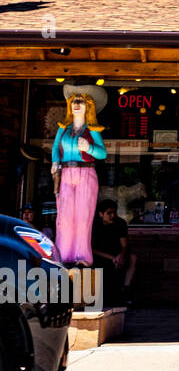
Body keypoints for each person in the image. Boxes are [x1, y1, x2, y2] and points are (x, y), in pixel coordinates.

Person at [51, 83, 109, 267]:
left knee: (83, 217)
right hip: (66, 172)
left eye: (81, 102)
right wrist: (55, 162)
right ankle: (63, 255)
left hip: (86, 172)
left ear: (88, 106)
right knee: (65, 217)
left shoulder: (93, 129)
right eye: (74, 101)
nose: (76, 104)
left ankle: (82, 257)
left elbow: (102, 153)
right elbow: (55, 148)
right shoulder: (63, 128)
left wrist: (89, 147)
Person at [91, 200, 137, 307]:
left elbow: (124, 245)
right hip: (100, 256)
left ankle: (126, 289)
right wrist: (112, 258)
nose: (113, 215)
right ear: (101, 214)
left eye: (114, 213)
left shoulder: (120, 223)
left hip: (117, 255)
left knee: (133, 258)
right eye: (109, 213)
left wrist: (120, 256)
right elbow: (91, 249)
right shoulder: (94, 225)